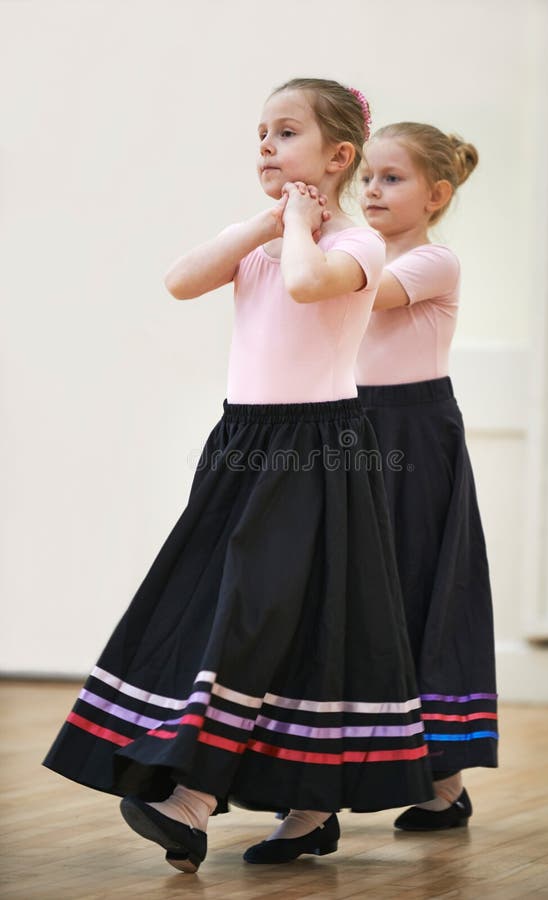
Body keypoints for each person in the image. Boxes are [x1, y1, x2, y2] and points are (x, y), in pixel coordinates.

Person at [44, 82, 433, 872]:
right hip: (243, 441)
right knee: (231, 604)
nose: (263, 145)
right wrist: (266, 220)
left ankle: (211, 798)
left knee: (273, 612)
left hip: (317, 448)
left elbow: (304, 284)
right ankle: (272, 804)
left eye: (284, 133)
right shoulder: (258, 236)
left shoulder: (352, 244)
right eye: (259, 131)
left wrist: (296, 223)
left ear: (337, 157)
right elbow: (182, 280)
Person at [355, 122, 498, 832]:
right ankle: (316, 780)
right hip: (350, 426)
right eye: (366, 179)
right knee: (354, 593)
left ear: (435, 195)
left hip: (412, 432)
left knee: (415, 587)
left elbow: (363, 296)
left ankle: (443, 781)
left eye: (391, 178)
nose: (371, 191)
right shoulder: (352, 253)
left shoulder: (431, 261)